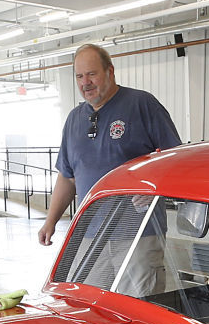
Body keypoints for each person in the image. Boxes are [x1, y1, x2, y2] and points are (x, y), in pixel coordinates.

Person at [36, 44, 181, 247]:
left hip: (137, 233)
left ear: (110, 71)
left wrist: (153, 186)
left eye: (92, 74)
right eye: (79, 76)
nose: (85, 83)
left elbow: (175, 159)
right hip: (89, 234)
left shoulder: (142, 105)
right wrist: (50, 221)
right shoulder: (74, 120)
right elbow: (67, 178)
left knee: (141, 281)